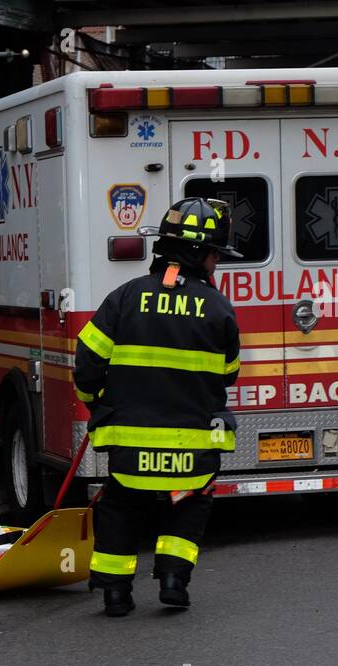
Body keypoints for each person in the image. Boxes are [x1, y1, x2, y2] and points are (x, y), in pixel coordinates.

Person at [74, 197, 241, 616]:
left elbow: (87, 363)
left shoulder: (124, 298)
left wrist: (97, 405)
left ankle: (115, 594)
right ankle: (173, 581)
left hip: (129, 445)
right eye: (216, 255)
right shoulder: (219, 309)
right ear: (200, 254)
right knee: (188, 503)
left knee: (121, 507)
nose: (216, 263)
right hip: (192, 448)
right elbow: (229, 374)